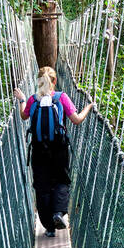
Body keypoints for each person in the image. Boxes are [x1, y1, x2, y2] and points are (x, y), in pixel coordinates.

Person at [14, 67, 93, 237]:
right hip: (59, 148)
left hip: (38, 149)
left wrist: (21, 100)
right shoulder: (61, 97)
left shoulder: (32, 100)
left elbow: (23, 116)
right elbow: (77, 119)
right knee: (61, 180)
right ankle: (58, 213)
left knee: (42, 186)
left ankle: (49, 227)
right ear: (55, 81)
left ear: (38, 81)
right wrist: (89, 107)